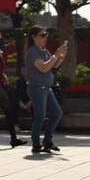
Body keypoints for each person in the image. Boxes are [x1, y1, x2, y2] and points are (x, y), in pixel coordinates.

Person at [25, 26, 66, 155]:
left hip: (46, 88)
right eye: (42, 35)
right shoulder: (32, 52)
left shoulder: (44, 51)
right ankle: (36, 144)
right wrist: (55, 56)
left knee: (56, 113)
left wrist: (61, 56)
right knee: (40, 116)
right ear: (34, 37)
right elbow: (43, 68)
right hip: (36, 88)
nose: (45, 38)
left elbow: (54, 65)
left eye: (46, 35)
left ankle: (47, 141)